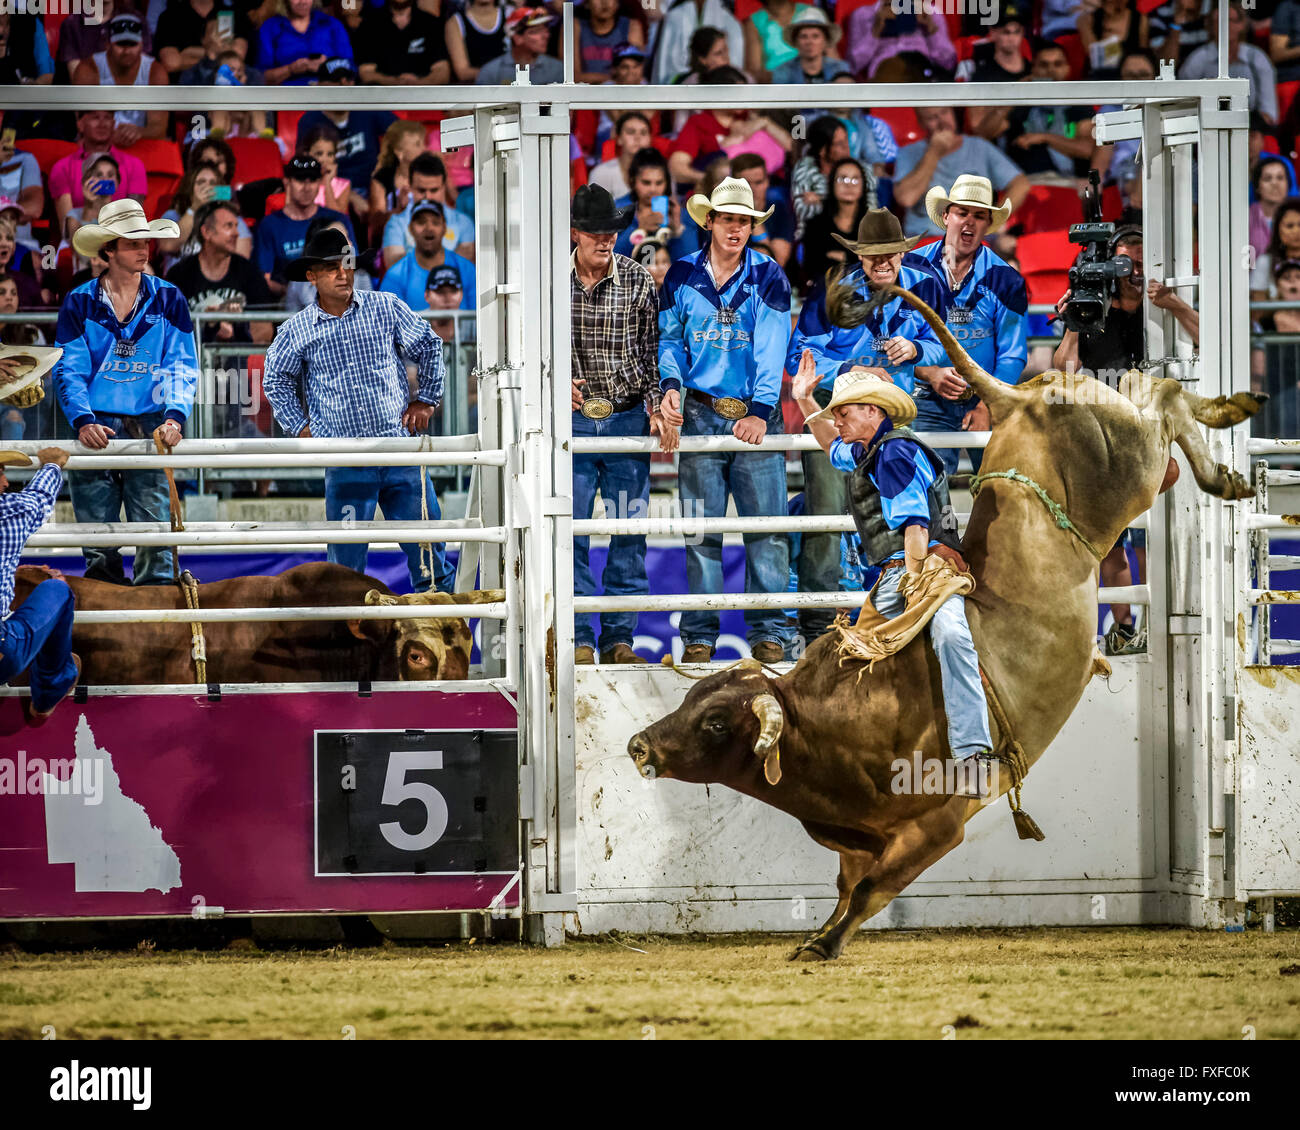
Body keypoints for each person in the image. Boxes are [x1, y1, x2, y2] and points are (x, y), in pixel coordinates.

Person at [790, 359, 994, 798]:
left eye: (844, 411)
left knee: (948, 636)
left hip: (917, 567)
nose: (837, 418)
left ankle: (972, 754)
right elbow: (832, 448)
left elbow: (915, 528)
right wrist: (804, 398)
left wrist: (915, 582)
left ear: (872, 412)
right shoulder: (872, 448)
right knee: (927, 642)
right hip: (906, 569)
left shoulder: (894, 453)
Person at [262, 227, 456, 594]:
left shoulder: (385, 307)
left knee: (430, 558)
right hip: (347, 458)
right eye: (332, 267)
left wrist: (427, 399)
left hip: (398, 452)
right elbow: (275, 380)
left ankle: (438, 638)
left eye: (347, 264)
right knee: (345, 571)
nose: (343, 272)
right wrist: (301, 428)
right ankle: (346, 644)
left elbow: (430, 344)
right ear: (312, 276)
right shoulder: (296, 329)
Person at [786, 208, 947, 645]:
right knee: (826, 513)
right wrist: (853, 368)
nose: (881, 263)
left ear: (901, 252)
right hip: (839, 413)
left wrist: (916, 349)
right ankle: (819, 623)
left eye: (889, 254)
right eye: (872, 255)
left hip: (888, 421)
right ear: (860, 255)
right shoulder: (832, 287)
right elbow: (799, 354)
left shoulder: (927, 284)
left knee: (892, 517)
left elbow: (943, 346)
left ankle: (885, 609)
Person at [658, 176, 794, 664]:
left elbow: (772, 345)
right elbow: (669, 339)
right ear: (709, 222)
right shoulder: (680, 275)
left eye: (744, 221)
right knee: (702, 530)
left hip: (751, 412)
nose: (736, 229)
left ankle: (770, 630)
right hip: (697, 410)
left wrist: (759, 410)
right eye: (728, 219)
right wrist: (669, 385)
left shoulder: (770, 276)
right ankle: (699, 632)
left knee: (766, 529)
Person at [1051, 223, 1198, 655]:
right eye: (1125, 263)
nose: (1133, 272)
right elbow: (1063, 371)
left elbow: (1210, 340)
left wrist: (1172, 303)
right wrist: (1076, 319)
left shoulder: (1159, 313)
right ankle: (1125, 630)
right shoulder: (1096, 310)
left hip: (1149, 439)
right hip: (1100, 441)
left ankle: (1153, 624)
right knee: (1109, 543)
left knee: (1155, 534)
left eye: (1140, 263)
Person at [52, 199, 198, 586]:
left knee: (154, 537)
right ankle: (109, 632)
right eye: (132, 242)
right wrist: (82, 421)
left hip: (150, 424)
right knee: (98, 541)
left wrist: (174, 415)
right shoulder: (79, 301)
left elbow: (181, 364)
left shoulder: (169, 297)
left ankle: (158, 628)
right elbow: (69, 367)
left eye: (144, 241)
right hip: (96, 424)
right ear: (109, 250)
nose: (143, 249)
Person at [568, 185, 673, 666]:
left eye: (611, 231)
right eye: (596, 233)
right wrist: (553, 382)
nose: (606, 240)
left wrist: (657, 403)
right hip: (571, 415)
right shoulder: (552, 280)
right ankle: (579, 638)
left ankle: (616, 639)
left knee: (628, 532)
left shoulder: (637, 280)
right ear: (576, 234)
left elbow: (653, 353)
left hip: (628, 414)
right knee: (572, 532)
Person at [906, 175, 1028, 474]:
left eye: (979, 216)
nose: (969, 223)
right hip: (925, 394)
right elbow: (894, 339)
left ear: (988, 224)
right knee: (925, 486)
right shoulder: (910, 268)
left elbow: (1012, 354)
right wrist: (931, 372)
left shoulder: (1007, 279)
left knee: (1000, 487)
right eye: (962, 213)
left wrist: (988, 404)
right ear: (946, 216)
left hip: (987, 396)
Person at [0, 445, 81, 728]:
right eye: (0, 472)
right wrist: (52, 465)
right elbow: (36, 500)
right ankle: (48, 690)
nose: (6, 482)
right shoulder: (8, 512)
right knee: (57, 589)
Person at [892, 105, 1030, 238]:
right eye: (932, 118)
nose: (942, 122)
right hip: (926, 239)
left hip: (974, 236)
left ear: (953, 113)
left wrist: (993, 220)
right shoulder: (908, 152)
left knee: (1008, 245)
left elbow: (1021, 184)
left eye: (944, 112)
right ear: (921, 123)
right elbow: (906, 198)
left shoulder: (979, 146)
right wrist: (934, 152)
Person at [165, 199, 274, 346]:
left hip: (237, 364)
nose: (236, 233)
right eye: (229, 226)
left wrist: (236, 331)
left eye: (236, 226)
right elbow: (167, 331)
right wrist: (208, 328)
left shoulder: (250, 272)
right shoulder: (179, 274)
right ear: (207, 232)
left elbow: (266, 331)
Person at [254, 155, 354, 297]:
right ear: (287, 182)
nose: (306, 187)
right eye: (300, 179)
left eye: (312, 180)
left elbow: (352, 264)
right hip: (287, 306)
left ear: (319, 182)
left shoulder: (338, 220)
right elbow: (264, 278)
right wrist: (293, 293)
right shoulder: (270, 225)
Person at [71, 13, 170, 146]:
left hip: (141, 142)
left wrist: (138, 132)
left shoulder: (155, 72)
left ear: (141, 45)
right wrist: (110, 134)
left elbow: (159, 128)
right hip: (99, 142)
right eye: (121, 44)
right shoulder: (88, 69)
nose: (127, 51)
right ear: (108, 44)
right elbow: (82, 123)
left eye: (132, 44)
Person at [49, 110, 148, 237]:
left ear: (113, 124)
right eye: (95, 117)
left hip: (121, 242)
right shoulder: (62, 167)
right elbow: (68, 233)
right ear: (80, 124)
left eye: (107, 118)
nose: (102, 124)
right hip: (79, 241)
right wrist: (90, 207)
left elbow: (134, 223)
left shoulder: (134, 165)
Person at [297, 73, 397, 194]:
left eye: (348, 81)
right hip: (332, 188)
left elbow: (401, 133)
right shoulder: (309, 121)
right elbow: (302, 167)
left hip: (373, 185)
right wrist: (351, 196)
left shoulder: (367, 107)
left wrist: (383, 162)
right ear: (320, 86)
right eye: (337, 83)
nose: (343, 88)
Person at [1180, 7, 1277, 123]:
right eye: (1219, 21)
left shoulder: (1256, 58)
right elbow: (1184, 104)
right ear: (1210, 27)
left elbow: (1269, 114)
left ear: (1241, 25)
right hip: (1206, 124)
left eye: (1230, 20)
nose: (1225, 26)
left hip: (1251, 126)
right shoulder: (1198, 59)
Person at [381, 152, 474, 269]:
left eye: (434, 190)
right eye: (421, 190)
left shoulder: (463, 222)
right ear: (410, 186)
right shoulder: (395, 223)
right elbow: (395, 266)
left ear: (444, 186)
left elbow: (464, 266)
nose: (428, 197)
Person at [379, 200, 475, 312]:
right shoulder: (395, 275)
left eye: (435, 222)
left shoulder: (467, 270)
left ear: (444, 228)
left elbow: (479, 320)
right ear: (410, 229)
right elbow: (388, 324)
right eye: (421, 222)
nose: (429, 228)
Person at [799, 156, 868, 292]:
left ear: (863, 185)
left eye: (855, 179)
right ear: (832, 183)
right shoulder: (815, 225)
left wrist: (841, 257)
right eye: (842, 178)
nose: (849, 184)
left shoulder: (873, 224)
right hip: (824, 293)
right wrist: (853, 258)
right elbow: (811, 266)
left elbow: (873, 264)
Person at [612, 147, 693, 261]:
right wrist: (639, 229)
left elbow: (689, 264)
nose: (653, 189)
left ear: (667, 183)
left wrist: (677, 230)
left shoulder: (679, 214)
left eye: (659, 183)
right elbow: (611, 261)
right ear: (632, 181)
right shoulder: (617, 211)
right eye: (646, 182)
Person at [846, 0, 957, 81]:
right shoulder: (864, 15)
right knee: (894, 66)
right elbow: (853, 65)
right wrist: (875, 31)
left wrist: (931, 29)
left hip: (923, 70)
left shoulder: (930, 12)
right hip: (884, 74)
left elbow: (948, 63)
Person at [259, 0, 353, 86]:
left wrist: (326, 68)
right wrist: (291, 69)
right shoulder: (270, 27)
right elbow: (261, 78)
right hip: (287, 95)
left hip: (329, 93)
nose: (302, 2)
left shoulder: (331, 24)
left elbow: (350, 68)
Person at [357, 0, 451, 86]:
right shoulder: (369, 25)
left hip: (424, 98)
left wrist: (417, 84)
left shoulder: (431, 24)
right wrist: (397, 82)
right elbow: (366, 73)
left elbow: (442, 71)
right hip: (382, 99)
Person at [651, 0, 745, 85]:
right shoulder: (675, 17)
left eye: (726, 51)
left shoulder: (728, 19)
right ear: (702, 59)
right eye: (718, 53)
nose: (726, 58)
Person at [791, 114, 853, 240]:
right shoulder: (805, 169)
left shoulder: (857, 171)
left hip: (852, 239)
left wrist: (820, 200)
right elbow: (805, 212)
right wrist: (845, 204)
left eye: (846, 141)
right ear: (822, 150)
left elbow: (866, 212)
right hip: (813, 238)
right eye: (839, 144)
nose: (847, 148)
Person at [153, 0, 251, 76]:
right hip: (184, 92)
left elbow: (237, 56)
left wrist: (189, 52)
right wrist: (214, 54)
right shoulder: (170, 16)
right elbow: (171, 64)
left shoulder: (235, 14)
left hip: (225, 90)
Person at [476, 7, 562, 85]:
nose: (546, 36)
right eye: (536, 31)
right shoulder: (491, 73)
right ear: (517, 38)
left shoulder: (558, 69)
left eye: (546, 30)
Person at [770, 7, 848, 85]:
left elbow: (847, 91)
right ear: (796, 41)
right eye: (803, 36)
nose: (809, 42)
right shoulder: (783, 71)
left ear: (825, 40)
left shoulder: (839, 67)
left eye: (815, 36)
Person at [589, 111, 654, 200]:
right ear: (619, 138)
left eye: (643, 133)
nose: (637, 137)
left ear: (650, 139)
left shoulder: (661, 173)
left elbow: (662, 211)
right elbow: (594, 212)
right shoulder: (601, 173)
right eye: (631, 132)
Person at [576, 0, 643, 83]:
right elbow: (572, 77)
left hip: (619, 92)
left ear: (617, 3)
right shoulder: (575, 27)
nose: (604, 2)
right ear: (587, 3)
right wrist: (612, 79)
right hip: (583, 92)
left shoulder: (631, 27)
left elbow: (636, 74)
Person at [445, 0, 510, 82]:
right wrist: (496, 74)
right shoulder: (456, 22)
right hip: (477, 88)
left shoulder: (510, 15)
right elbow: (462, 72)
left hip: (511, 86)